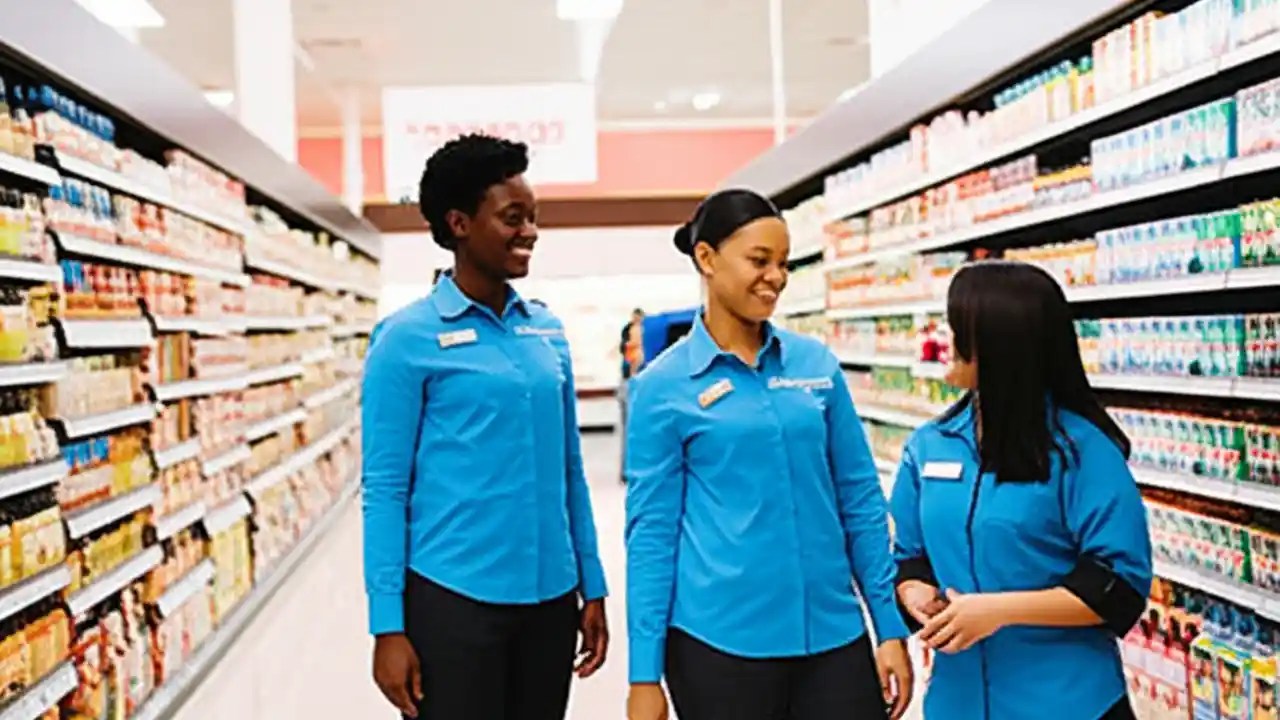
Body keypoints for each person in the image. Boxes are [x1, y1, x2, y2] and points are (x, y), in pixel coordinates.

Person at [624, 188, 913, 720]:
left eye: (783, 264)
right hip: (718, 643)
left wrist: (888, 625)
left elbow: (860, 498)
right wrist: (644, 675)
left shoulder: (815, 365)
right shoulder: (663, 387)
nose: (775, 277)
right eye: (759, 261)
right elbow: (651, 534)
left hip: (832, 633)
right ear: (706, 259)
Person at [361, 134, 609, 720]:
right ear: (460, 223)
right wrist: (387, 627)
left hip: (550, 600)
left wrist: (591, 583)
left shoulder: (546, 331)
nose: (530, 231)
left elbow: (568, 465)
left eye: (534, 217)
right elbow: (385, 490)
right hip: (453, 601)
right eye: (512, 217)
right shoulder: (406, 340)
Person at [890, 261, 1153, 720]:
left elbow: (1118, 586)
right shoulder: (929, 446)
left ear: (1001, 343)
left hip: (1068, 703)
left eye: (958, 327)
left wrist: (998, 611)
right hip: (958, 704)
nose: (944, 337)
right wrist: (914, 592)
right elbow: (909, 557)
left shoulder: (1082, 452)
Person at [618, 308, 645, 480]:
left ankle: (626, 470)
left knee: (628, 430)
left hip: (627, 383)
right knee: (632, 429)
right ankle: (629, 470)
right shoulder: (635, 336)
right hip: (632, 383)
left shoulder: (627, 335)